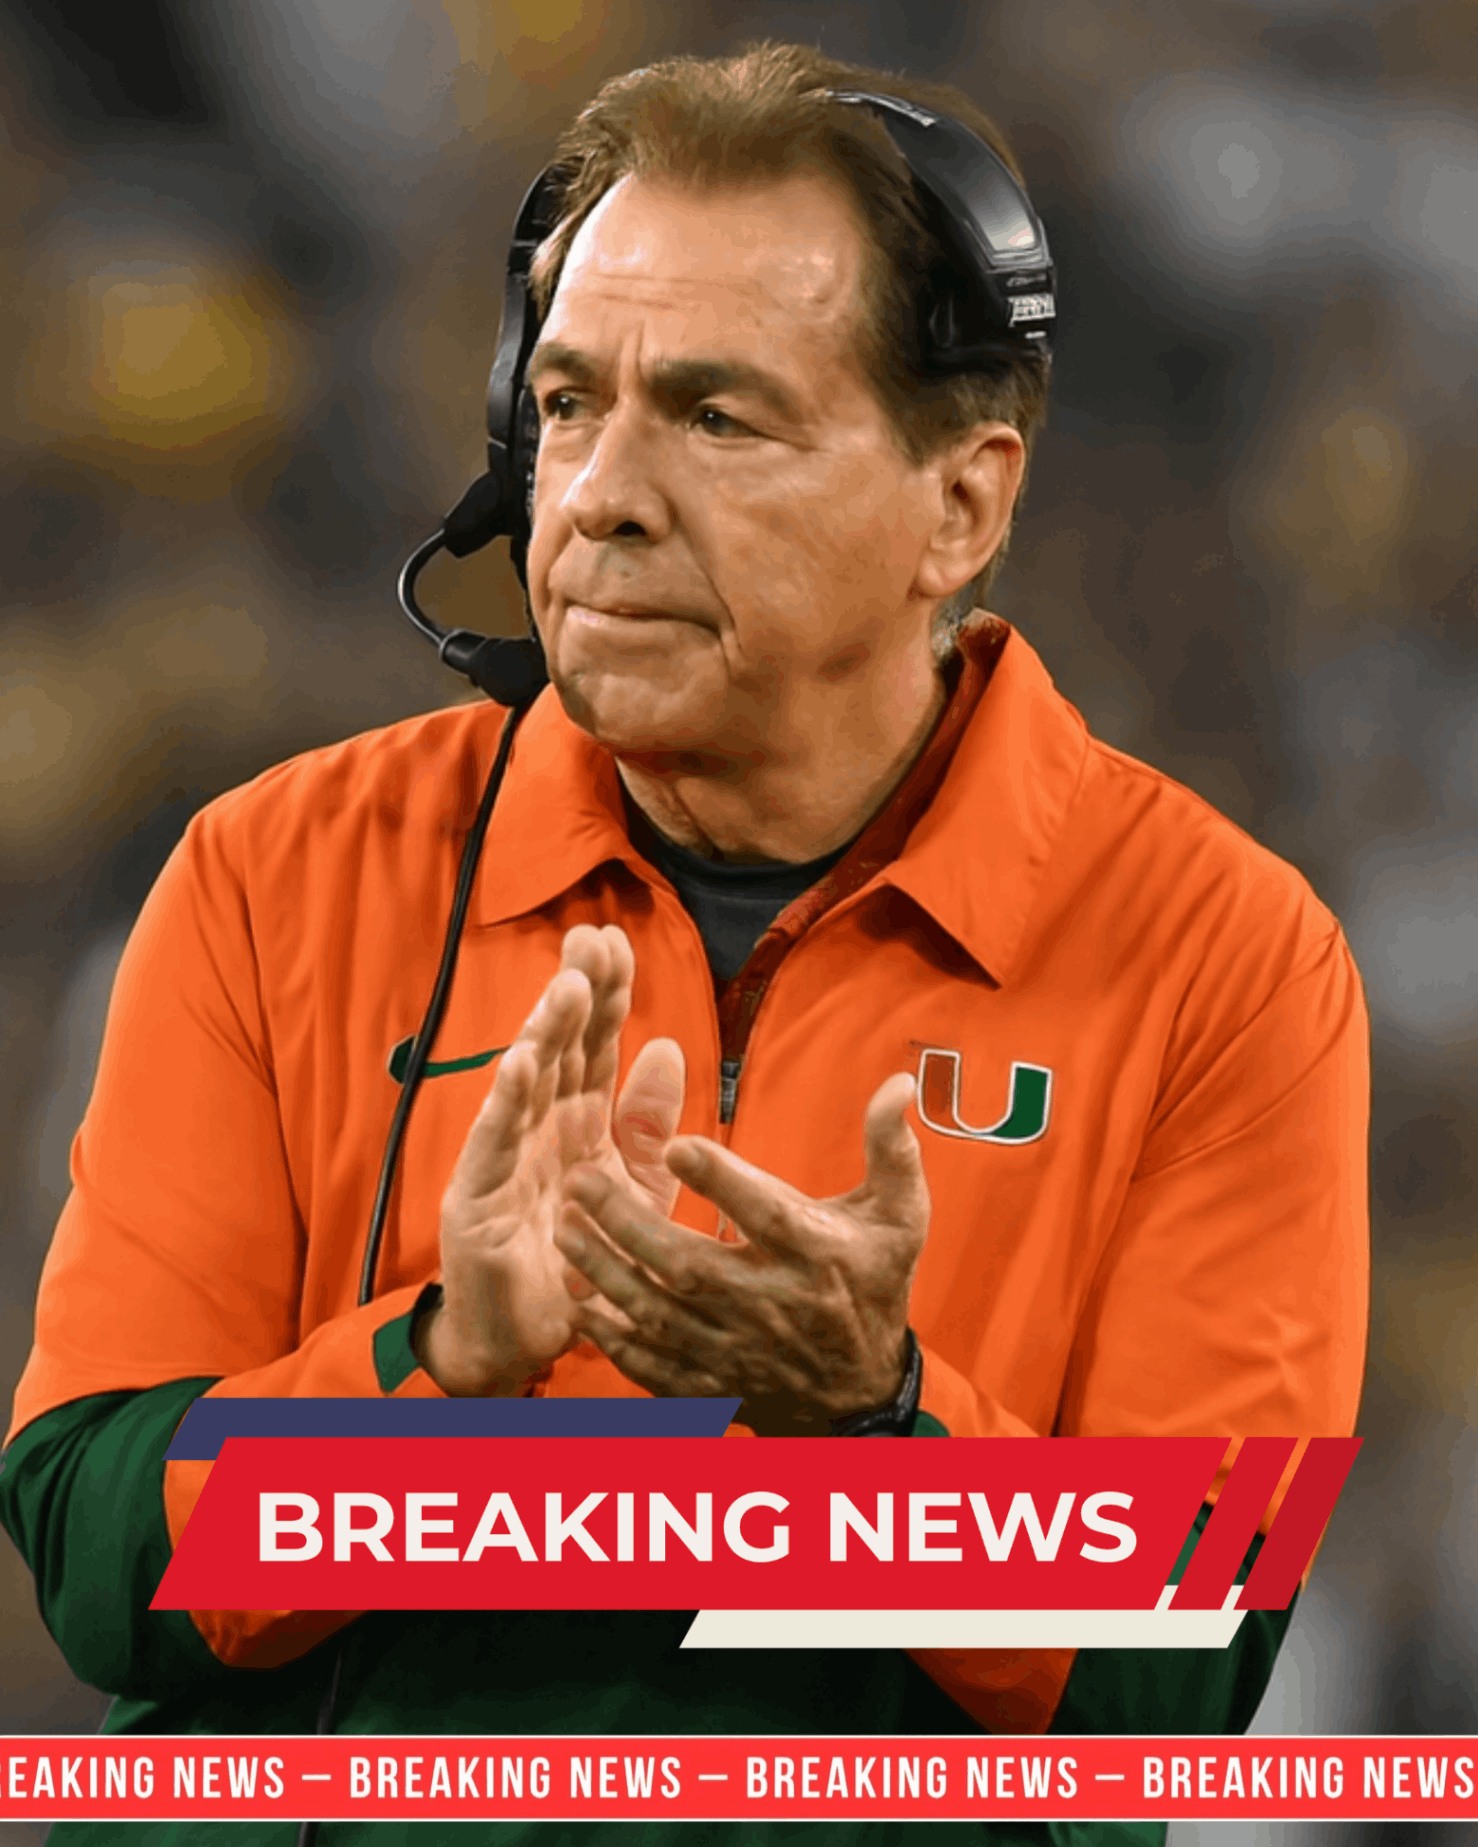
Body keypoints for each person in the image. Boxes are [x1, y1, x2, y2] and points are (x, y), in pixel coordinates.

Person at [1, 40, 1367, 1845]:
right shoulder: (277, 875)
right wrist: (435, 1372)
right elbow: (94, 1546)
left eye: (717, 418)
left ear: (960, 503)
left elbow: (1185, 1647)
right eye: (570, 404)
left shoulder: (1222, 956)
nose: (597, 496)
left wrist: (870, 1417)